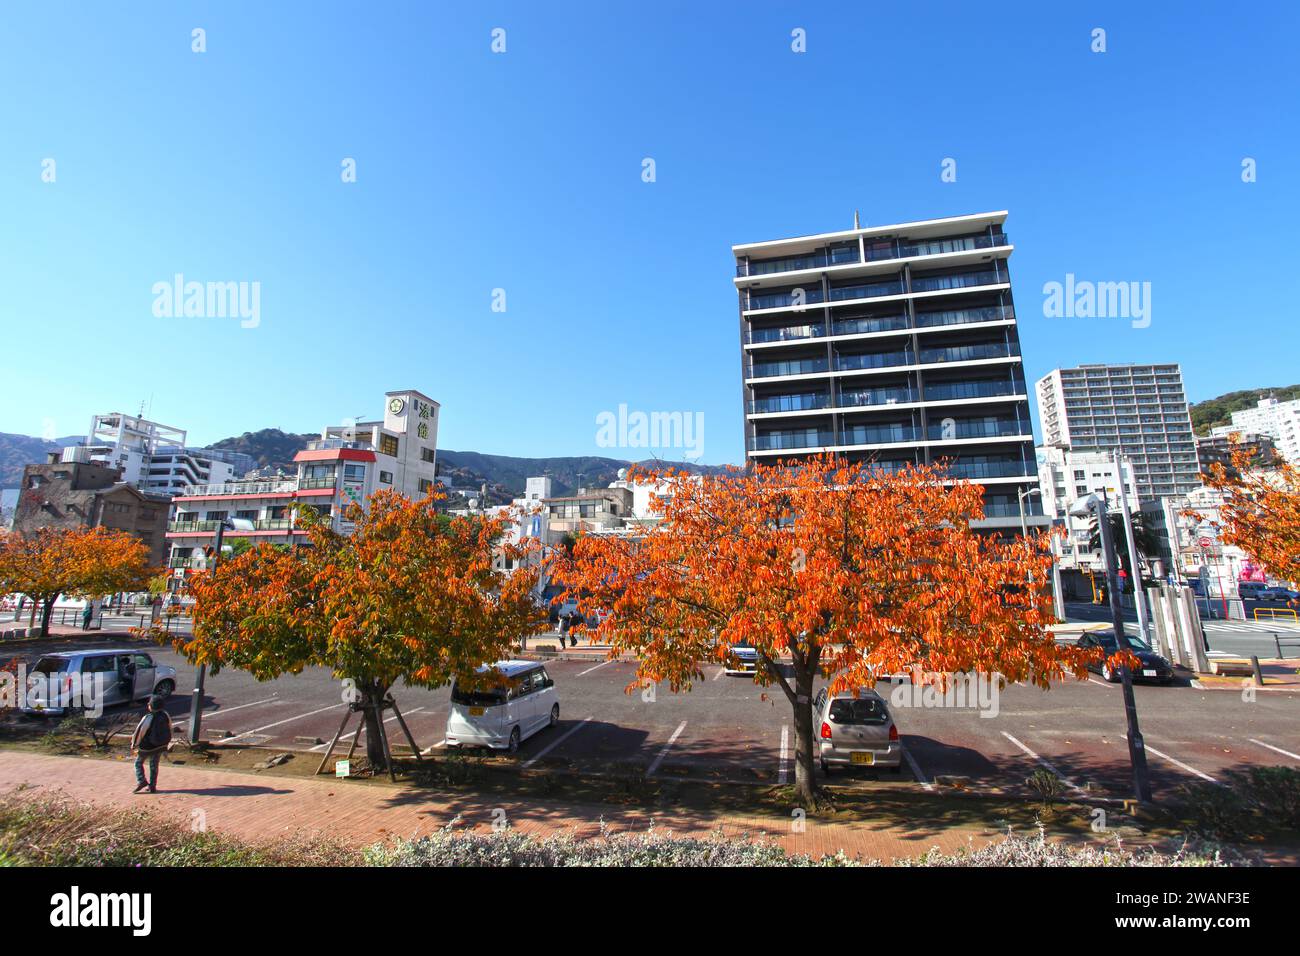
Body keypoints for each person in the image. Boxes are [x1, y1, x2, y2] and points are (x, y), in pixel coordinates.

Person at [130, 696, 173, 794]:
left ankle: (141, 781)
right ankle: (152, 785)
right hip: (160, 746)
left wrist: (134, 744)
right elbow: (170, 727)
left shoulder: (148, 717)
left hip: (147, 746)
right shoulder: (165, 715)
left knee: (138, 763)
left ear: (150, 706)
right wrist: (166, 742)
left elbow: (140, 731)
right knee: (154, 765)